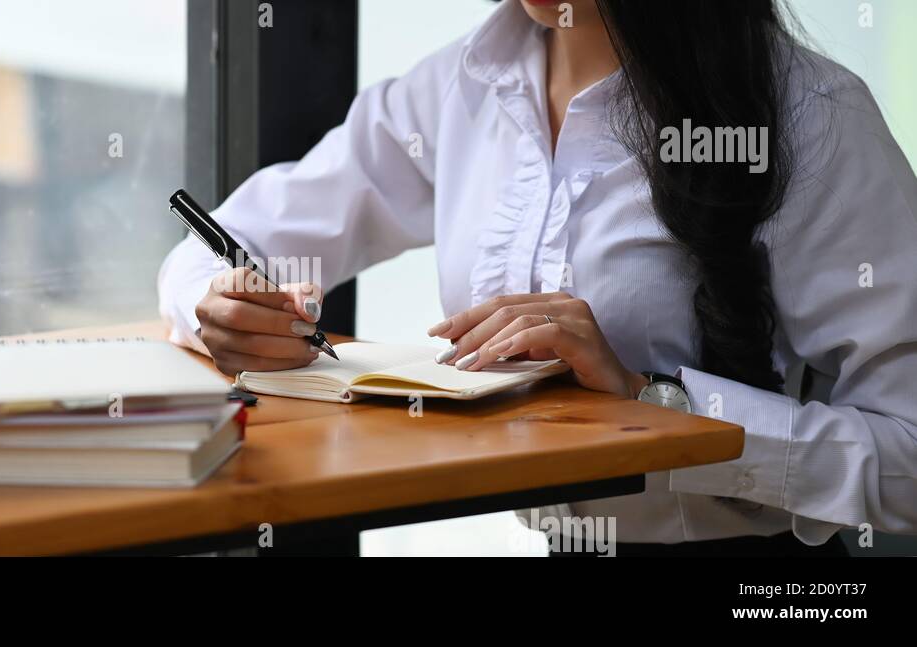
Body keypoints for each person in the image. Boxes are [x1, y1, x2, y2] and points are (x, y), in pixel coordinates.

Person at [156, 0, 917, 555]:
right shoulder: (468, 83)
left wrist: (655, 401)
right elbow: (228, 240)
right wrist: (213, 305)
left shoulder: (813, 118)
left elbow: (909, 459)